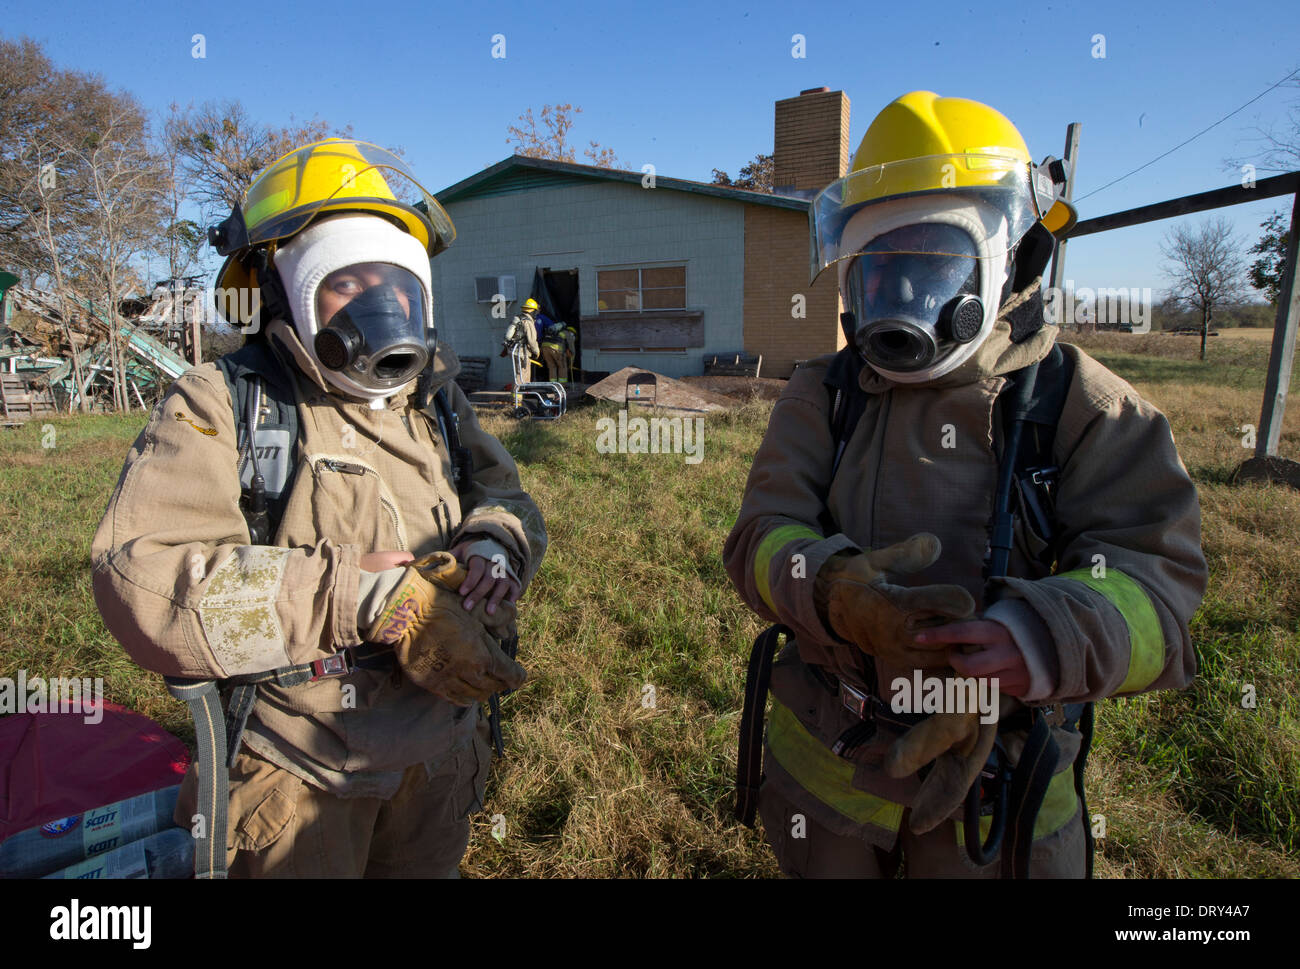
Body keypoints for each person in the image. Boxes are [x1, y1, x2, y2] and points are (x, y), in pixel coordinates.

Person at [723, 92, 1207, 878]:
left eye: (931, 262)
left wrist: (1040, 638)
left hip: (998, 802)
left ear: (1010, 258)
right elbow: (758, 537)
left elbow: (1162, 592)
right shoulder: (823, 393)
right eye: (883, 266)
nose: (904, 299)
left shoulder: (1089, 412)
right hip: (830, 778)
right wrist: (832, 590)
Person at [91, 139, 547, 878]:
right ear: (286, 293)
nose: (383, 306)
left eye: (397, 283)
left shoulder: (436, 402)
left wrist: (496, 542)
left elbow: (506, 495)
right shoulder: (221, 404)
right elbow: (143, 579)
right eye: (349, 283)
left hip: (441, 755)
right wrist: (358, 596)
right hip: (296, 774)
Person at [501, 297, 544, 384]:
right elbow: (532, 341)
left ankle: (518, 395)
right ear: (533, 311)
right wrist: (537, 352)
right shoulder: (528, 322)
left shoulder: (518, 318)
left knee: (518, 373)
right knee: (523, 375)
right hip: (522, 352)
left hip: (513, 350)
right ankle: (519, 396)